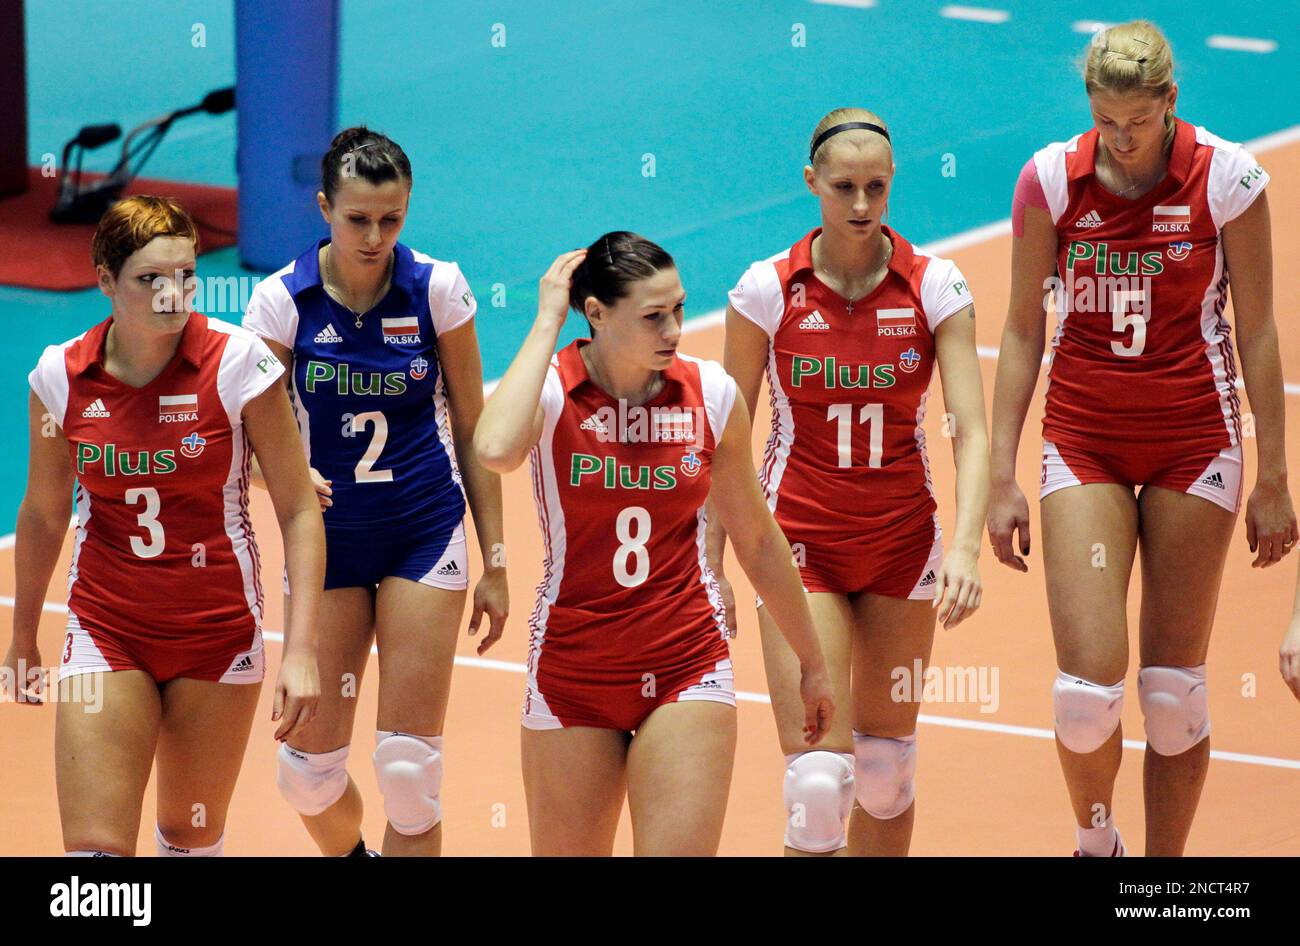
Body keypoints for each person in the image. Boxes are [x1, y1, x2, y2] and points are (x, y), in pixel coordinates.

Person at [987, 20, 1296, 856]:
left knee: (1171, 694)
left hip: (1196, 438)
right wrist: (999, 475)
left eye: (1138, 121)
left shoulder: (1228, 179)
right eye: (1106, 120)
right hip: (1083, 436)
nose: (1121, 140)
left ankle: (1161, 881)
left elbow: (1260, 331)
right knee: (1086, 693)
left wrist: (1276, 475)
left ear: (1170, 101)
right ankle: (1098, 846)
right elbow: (1021, 331)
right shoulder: (1051, 180)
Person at [475, 233, 834, 855]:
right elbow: (494, 449)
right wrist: (544, 322)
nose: (674, 328)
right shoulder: (555, 391)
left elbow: (756, 538)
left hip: (683, 659)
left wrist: (813, 661)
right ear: (596, 315)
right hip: (572, 668)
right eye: (652, 316)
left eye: (678, 308)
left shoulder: (712, 394)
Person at [2, 195, 323, 856]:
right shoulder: (60, 378)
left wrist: (300, 650)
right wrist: (22, 636)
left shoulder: (240, 365)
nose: (173, 295)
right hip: (107, 629)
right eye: (151, 279)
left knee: (189, 838)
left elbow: (297, 506)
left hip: (217, 635)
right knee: (94, 858)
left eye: (185, 276)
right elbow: (41, 514)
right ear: (104, 280)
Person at [714, 108, 989, 856]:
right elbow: (723, 440)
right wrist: (710, 563)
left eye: (877, 187)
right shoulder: (765, 290)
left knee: (883, 774)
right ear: (812, 184)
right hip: (799, 543)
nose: (862, 205)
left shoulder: (936, 288)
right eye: (843, 188)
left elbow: (971, 425)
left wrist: (965, 546)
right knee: (816, 786)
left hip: (903, 545)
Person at [243, 127, 508, 857]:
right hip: (328, 546)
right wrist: (284, 474)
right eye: (357, 218)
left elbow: (475, 431)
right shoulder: (281, 303)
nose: (375, 235)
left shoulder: (437, 290)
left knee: (407, 771)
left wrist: (498, 560)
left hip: (423, 531)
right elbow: (247, 440)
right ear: (324, 207)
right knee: (306, 776)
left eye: (392, 218)